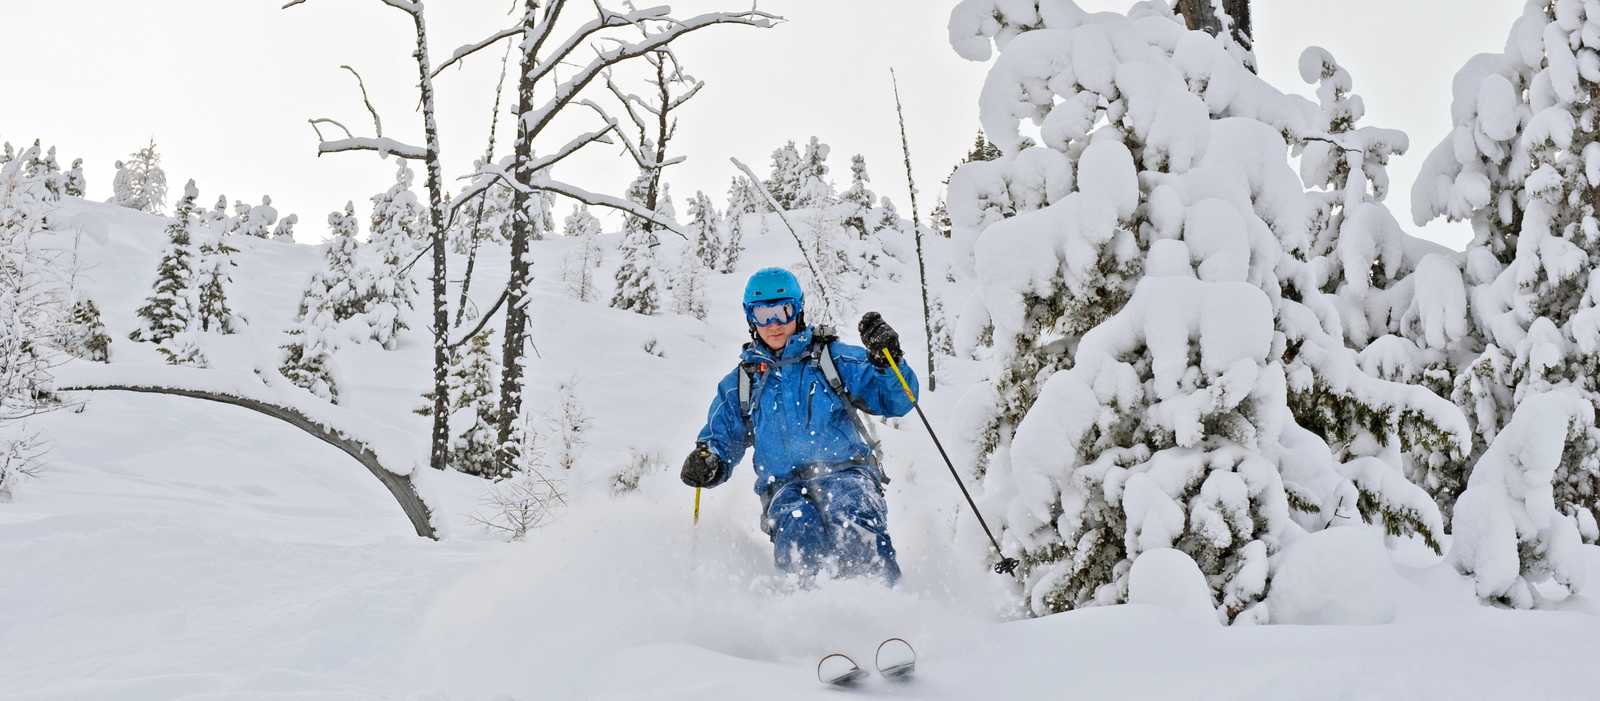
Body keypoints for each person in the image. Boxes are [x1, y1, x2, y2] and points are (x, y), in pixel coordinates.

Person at [681, 267, 918, 584]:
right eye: (763, 314)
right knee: (797, 530)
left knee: (852, 517)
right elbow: (723, 438)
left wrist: (886, 361)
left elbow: (898, 399)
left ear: (799, 309)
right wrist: (709, 458)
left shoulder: (831, 359)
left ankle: (882, 607)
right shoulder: (744, 381)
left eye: (783, 311)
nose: (774, 324)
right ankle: (810, 616)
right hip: (784, 486)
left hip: (848, 471)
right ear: (750, 318)